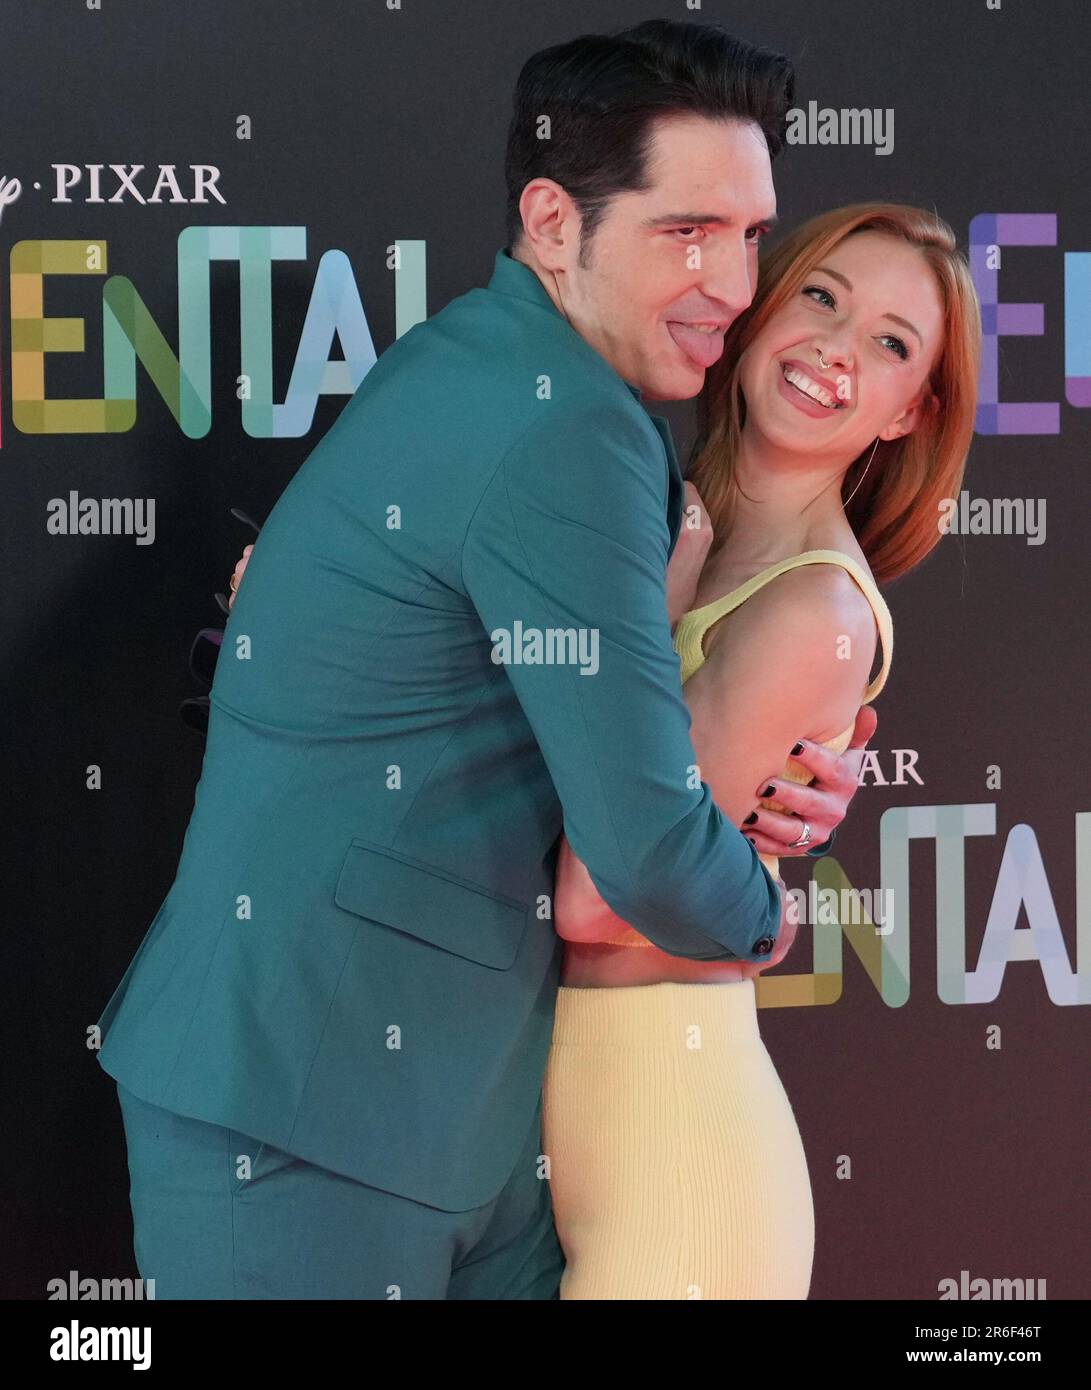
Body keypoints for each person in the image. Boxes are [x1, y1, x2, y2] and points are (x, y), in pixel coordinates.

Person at [95, 19, 870, 1299]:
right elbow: (643, 846)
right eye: (686, 231)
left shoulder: (498, 362)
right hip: (309, 1116)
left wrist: (743, 775)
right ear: (554, 221)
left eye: (746, 234)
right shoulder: (564, 425)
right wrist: (768, 901)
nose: (734, 284)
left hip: (436, 1116)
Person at [542, 203, 981, 1298]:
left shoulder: (810, 607)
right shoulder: (660, 506)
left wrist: (662, 599)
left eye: (888, 343)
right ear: (758, 307)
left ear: (905, 412)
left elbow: (603, 897)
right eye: (819, 299)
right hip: (550, 1132)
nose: (836, 347)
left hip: (679, 1177)